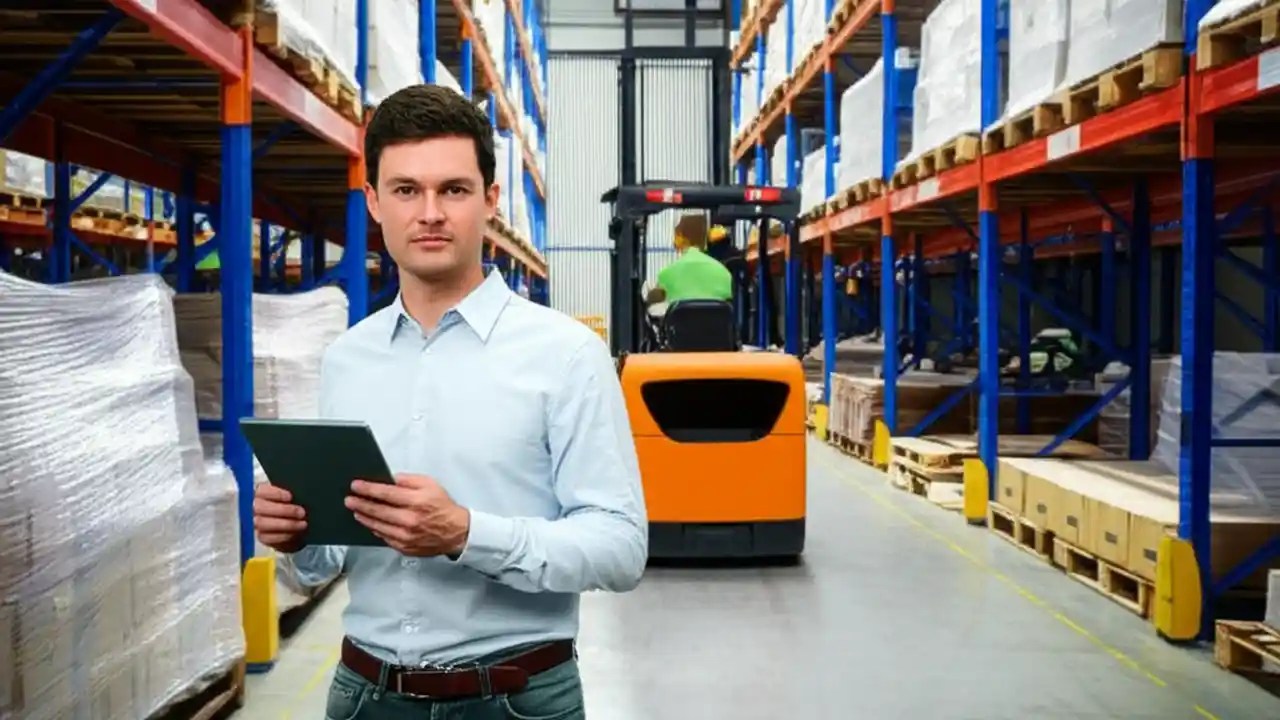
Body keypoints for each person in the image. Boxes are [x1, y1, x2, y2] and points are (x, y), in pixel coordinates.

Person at [251, 83, 648, 720]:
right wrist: (296, 537)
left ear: (489, 201)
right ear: (375, 202)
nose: (429, 212)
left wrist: (467, 533)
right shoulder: (346, 358)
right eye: (406, 190)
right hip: (363, 696)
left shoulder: (566, 354)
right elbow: (326, 561)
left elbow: (621, 549)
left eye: (453, 190)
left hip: (515, 699)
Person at [643, 212, 733, 313]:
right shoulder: (724, 273)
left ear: (680, 235)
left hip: (679, 327)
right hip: (717, 328)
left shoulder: (667, 274)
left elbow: (655, 299)